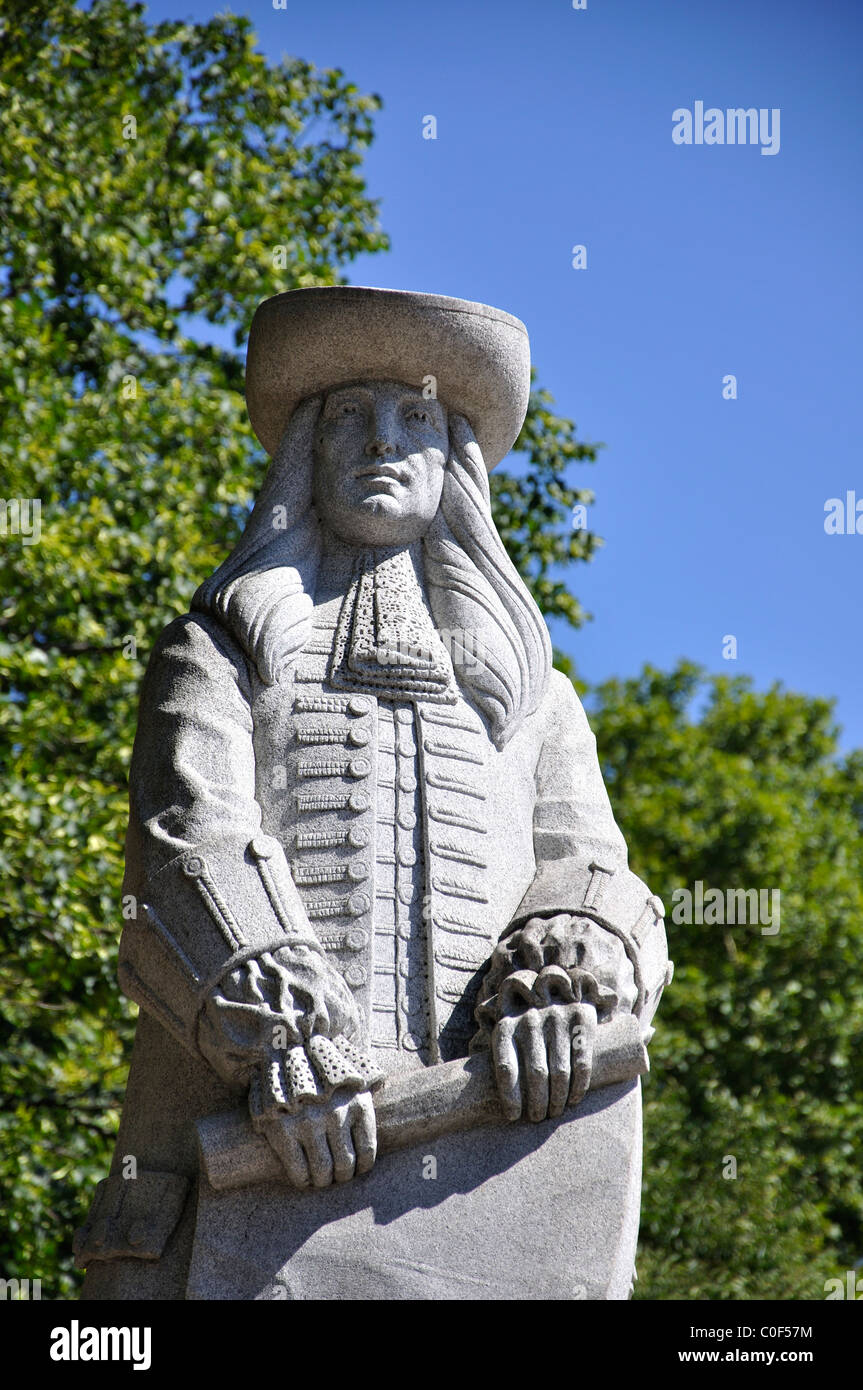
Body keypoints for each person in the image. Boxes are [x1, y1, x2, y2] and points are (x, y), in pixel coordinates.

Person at [78, 287, 669, 1300]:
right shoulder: (217, 655)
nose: (381, 441)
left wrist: (557, 994)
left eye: (418, 419)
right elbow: (186, 846)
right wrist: (287, 1040)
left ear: (455, 465)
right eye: (350, 415)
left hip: (489, 1174)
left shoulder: (531, 697)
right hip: (248, 1166)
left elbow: (590, 867)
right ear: (307, 449)